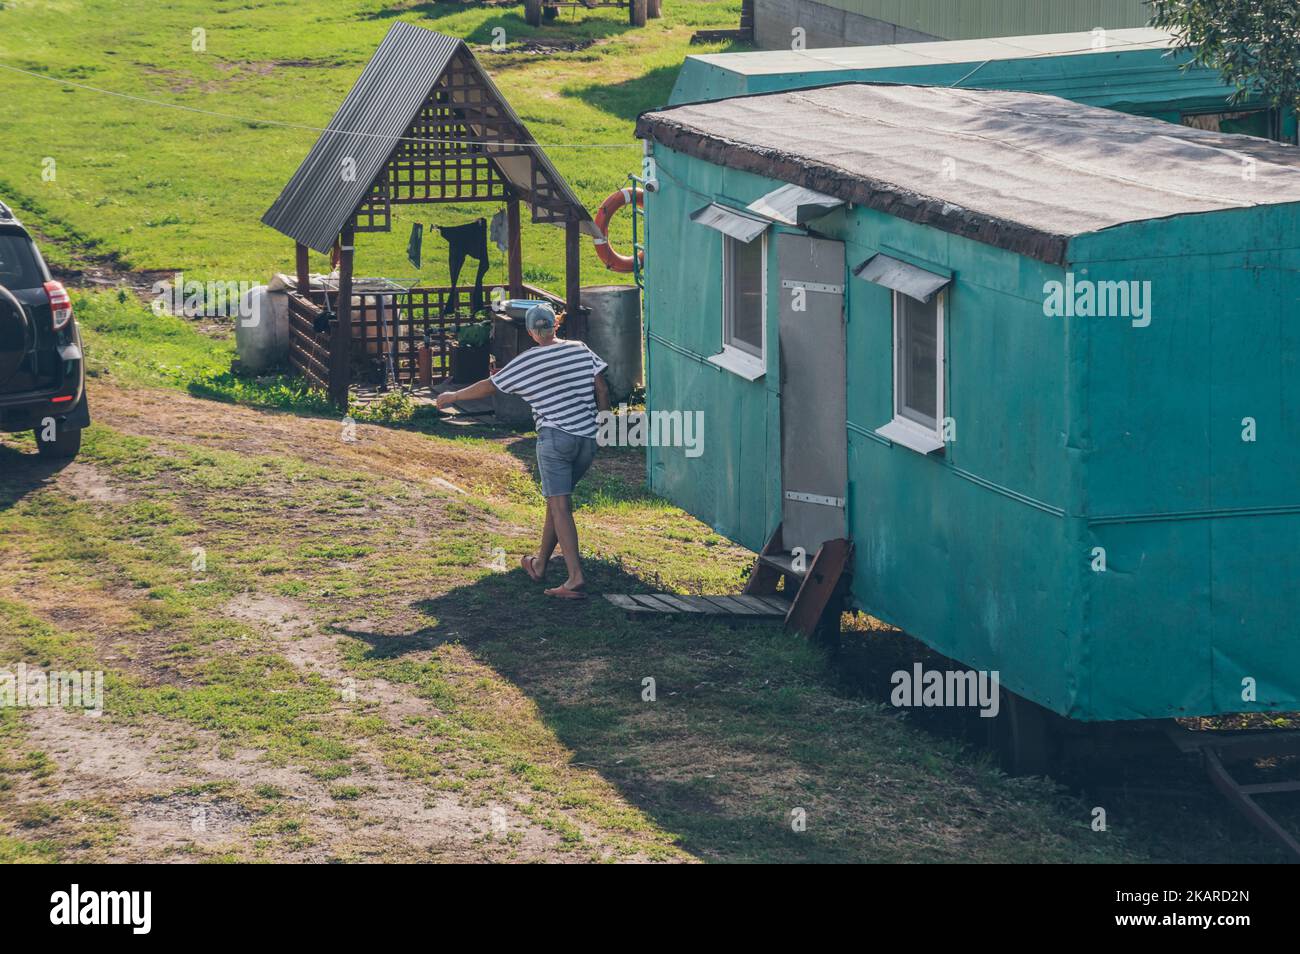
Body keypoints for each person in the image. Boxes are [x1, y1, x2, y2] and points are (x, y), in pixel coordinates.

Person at [435, 304, 609, 599]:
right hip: (586, 440)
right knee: (557, 503)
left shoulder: (528, 360)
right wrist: (605, 427)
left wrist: (454, 395)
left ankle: (574, 578)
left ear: (530, 332)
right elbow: (602, 389)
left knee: (560, 506)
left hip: (555, 439)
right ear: (556, 324)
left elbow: (491, 386)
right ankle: (539, 563)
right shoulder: (580, 349)